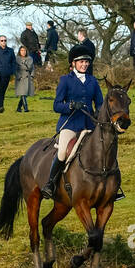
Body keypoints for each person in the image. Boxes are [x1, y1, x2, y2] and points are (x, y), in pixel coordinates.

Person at [42, 42, 104, 198]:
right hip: (70, 124)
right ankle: (50, 183)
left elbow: (100, 103)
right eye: (81, 62)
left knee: (103, 150)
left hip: (89, 125)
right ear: (74, 63)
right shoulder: (65, 80)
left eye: (86, 62)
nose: (84, 64)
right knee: (62, 151)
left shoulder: (93, 81)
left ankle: (110, 186)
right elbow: (56, 105)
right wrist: (69, 105)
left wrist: (98, 113)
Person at [14, 45, 34, 112]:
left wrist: (32, 76)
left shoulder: (30, 59)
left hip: (28, 77)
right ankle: (26, 108)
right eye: (22, 50)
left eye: (24, 50)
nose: (23, 52)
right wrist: (18, 76)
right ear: (19, 51)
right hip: (21, 78)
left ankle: (18, 108)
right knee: (23, 93)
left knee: (26, 94)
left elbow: (32, 68)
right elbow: (15, 69)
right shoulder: (17, 59)